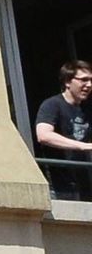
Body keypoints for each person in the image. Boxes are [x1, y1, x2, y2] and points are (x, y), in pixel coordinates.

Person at [35, 61, 92, 200]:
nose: (89, 85)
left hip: (83, 182)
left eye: (91, 80)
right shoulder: (52, 105)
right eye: (84, 80)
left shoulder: (87, 110)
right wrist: (83, 146)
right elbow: (43, 135)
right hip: (59, 184)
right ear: (67, 82)